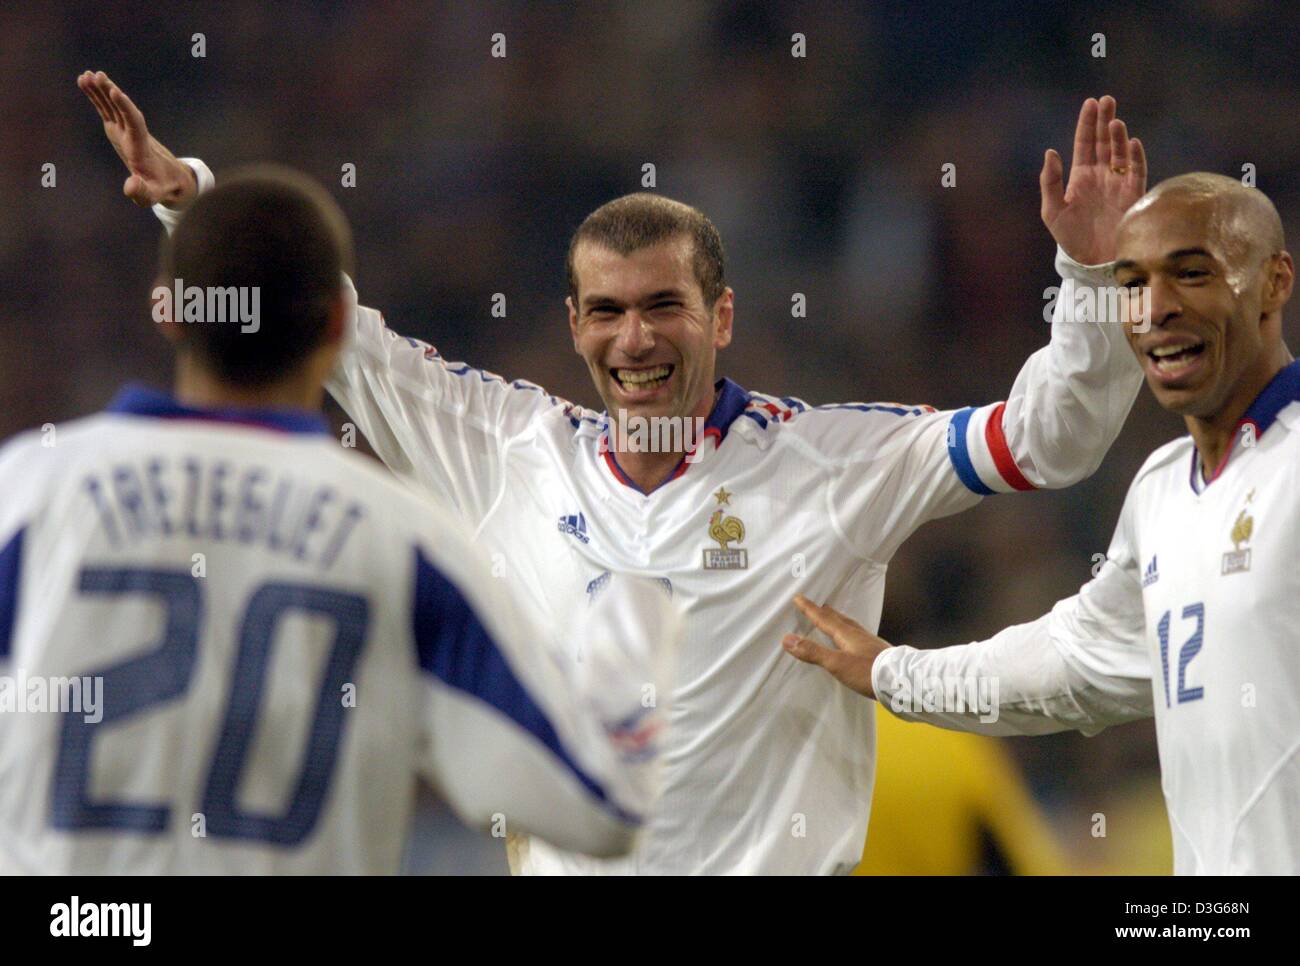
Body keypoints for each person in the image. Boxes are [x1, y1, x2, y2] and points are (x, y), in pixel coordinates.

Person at [82, 69, 1148, 874]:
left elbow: (1053, 438)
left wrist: (1089, 274)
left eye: (661, 307)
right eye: (606, 312)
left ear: (720, 317)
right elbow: (342, 330)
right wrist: (195, 202)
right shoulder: (509, 448)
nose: (634, 340)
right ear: (574, 326)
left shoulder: (833, 461)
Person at [0, 152, 678, 873]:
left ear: (166, 311)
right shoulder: (408, 542)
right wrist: (633, 627)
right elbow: (602, 805)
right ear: (334, 325)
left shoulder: (26, 494)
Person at [783, 174, 1298, 875]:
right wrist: (894, 672)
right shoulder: (1161, 493)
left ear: (1274, 282)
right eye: (1133, 282)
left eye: (1191, 274)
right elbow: (1071, 664)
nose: (1157, 308)